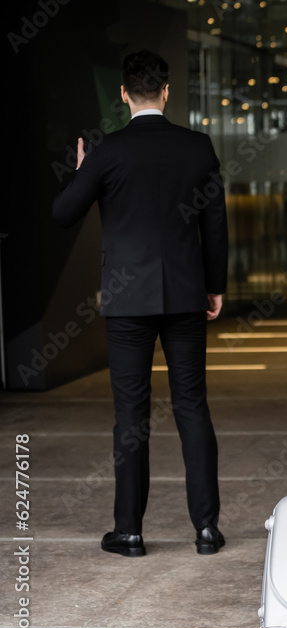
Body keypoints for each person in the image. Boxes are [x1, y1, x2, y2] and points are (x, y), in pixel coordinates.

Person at [52, 50, 229, 557]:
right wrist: (214, 285)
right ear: (166, 92)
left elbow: (63, 213)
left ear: (124, 94)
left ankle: (128, 532)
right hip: (185, 295)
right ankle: (206, 530)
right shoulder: (198, 147)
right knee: (192, 406)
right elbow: (214, 224)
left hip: (128, 300)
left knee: (131, 415)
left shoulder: (107, 151)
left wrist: (82, 173)